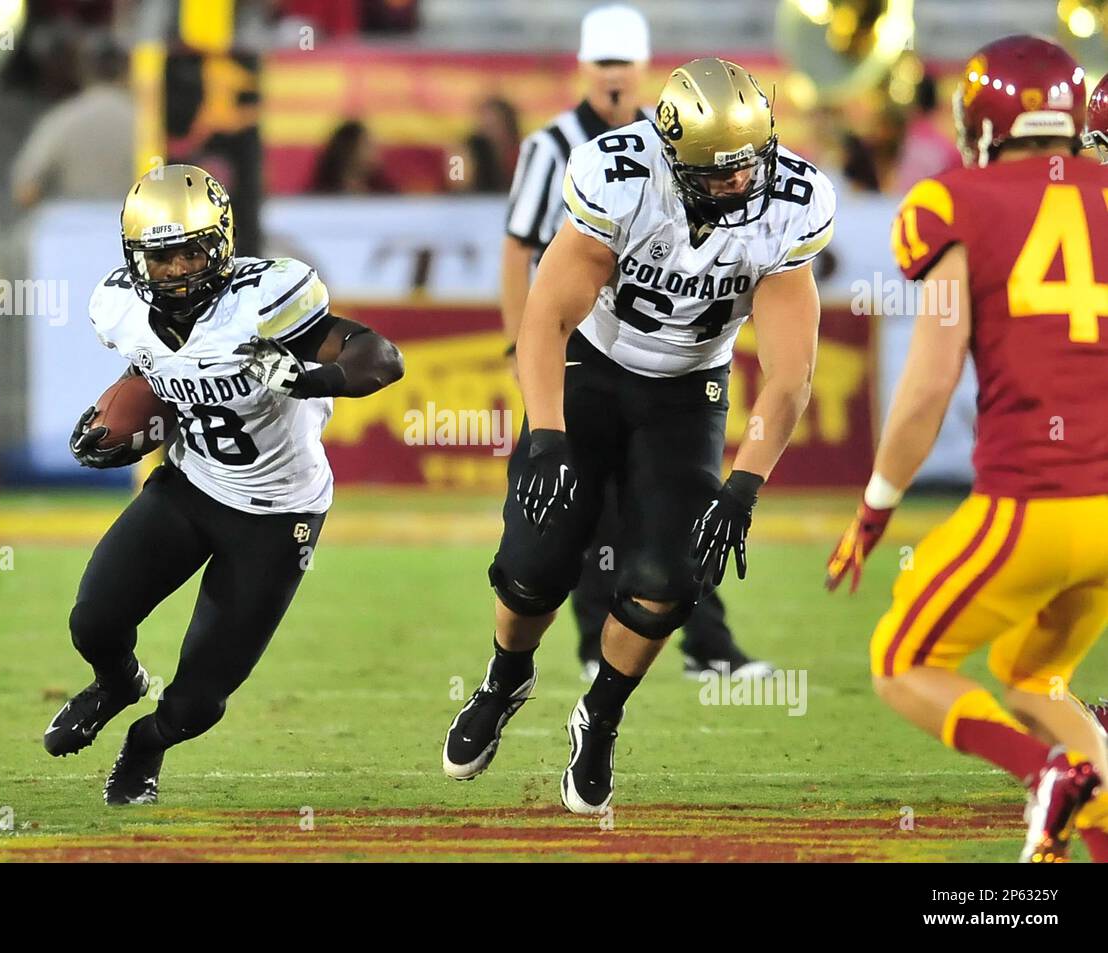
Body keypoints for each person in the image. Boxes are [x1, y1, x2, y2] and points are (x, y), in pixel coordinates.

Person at [444, 58, 834, 814]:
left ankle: (602, 714)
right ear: (674, 154)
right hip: (594, 363)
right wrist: (549, 434)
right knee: (532, 559)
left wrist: (745, 482)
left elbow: (791, 372)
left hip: (690, 388)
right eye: (720, 172)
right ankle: (504, 677)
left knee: (670, 579)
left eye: (752, 163)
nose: (741, 184)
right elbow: (547, 318)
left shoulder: (792, 200)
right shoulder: (620, 176)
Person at [826, 36, 1108, 863]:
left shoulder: (956, 200)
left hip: (1032, 503)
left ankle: (1045, 774)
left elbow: (930, 380)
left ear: (986, 118)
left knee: (900, 658)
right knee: (1033, 679)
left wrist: (877, 505)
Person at [44, 164, 404, 804]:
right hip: (191, 485)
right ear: (134, 260)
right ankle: (118, 682)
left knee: (198, 701)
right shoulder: (119, 306)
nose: (176, 270)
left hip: (276, 512)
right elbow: (154, 366)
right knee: (93, 620)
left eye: (188, 252)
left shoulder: (266, 299)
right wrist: (123, 428)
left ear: (221, 245)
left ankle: (148, 739)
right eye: (160, 258)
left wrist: (306, 379)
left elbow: (380, 358)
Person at [500, 3, 770, 682]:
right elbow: (519, 248)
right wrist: (520, 343)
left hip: (671, 354)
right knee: (576, 501)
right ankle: (597, 644)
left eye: (626, 64)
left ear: (644, 69)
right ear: (584, 68)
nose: (616, 77)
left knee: (677, 503)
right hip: (577, 345)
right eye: (605, 64)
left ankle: (705, 642)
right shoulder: (551, 145)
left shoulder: (684, 145)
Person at [10, 32, 133, 208]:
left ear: (82, 70)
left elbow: (24, 190)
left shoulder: (62, 119)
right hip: (134, 224)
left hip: (73, 226)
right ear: (127, 70)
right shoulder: (148, 122)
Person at [308, 119, 395, 194]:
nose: (375, 153)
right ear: (348, 149)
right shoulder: (318, 198)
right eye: (367, 146)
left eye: (374, 147)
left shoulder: (385, 194)